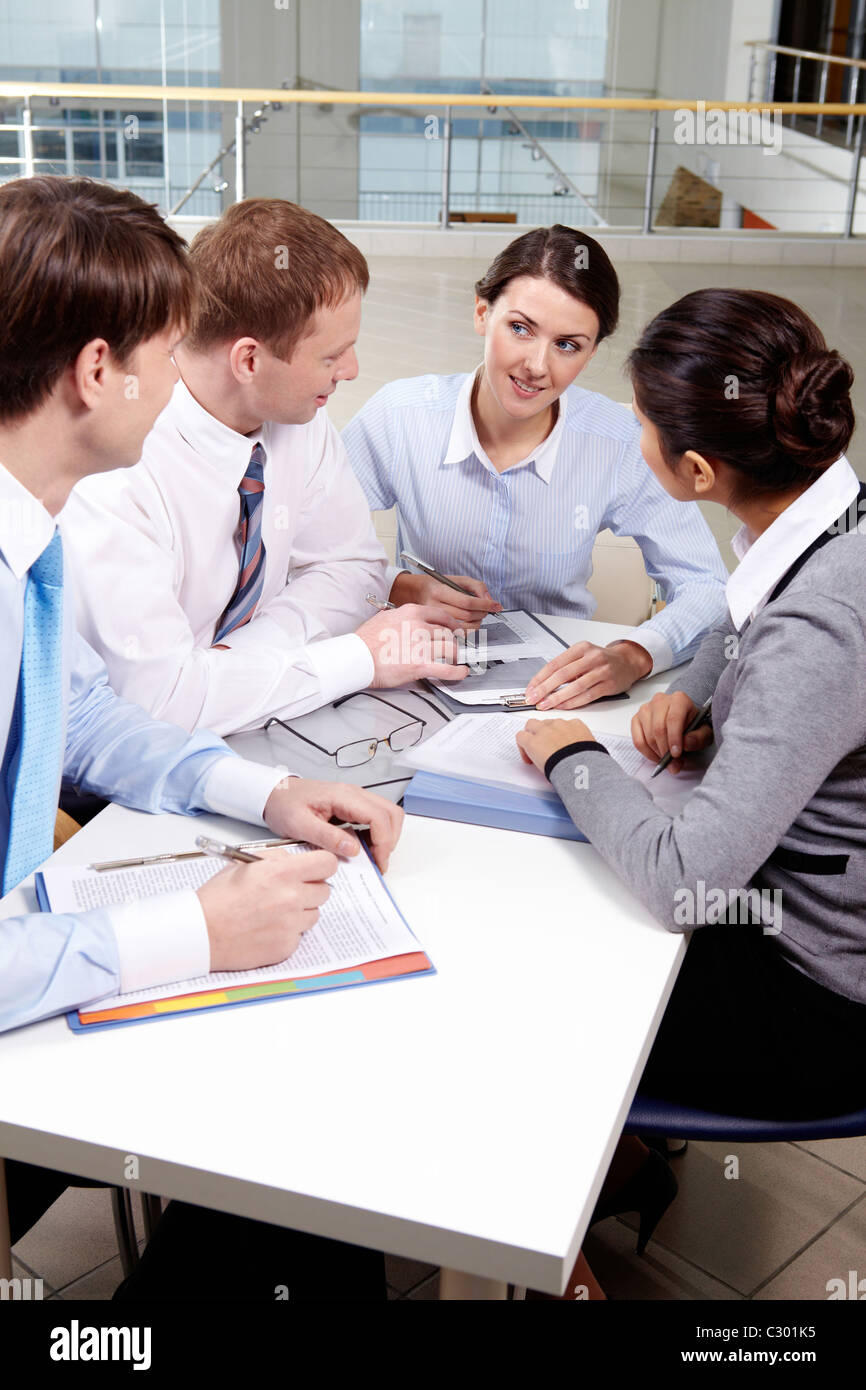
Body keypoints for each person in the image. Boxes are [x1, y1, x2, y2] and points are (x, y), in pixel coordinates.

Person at [0, 175, 403, 1299]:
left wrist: (258, 791)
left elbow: (82, 708)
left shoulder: (23, 533)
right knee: (310, 1195)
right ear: (95, 371)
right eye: (171, 345)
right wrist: (195, 929)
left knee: (304, 1144)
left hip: (36, 949)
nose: (185, 375)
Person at [517, 287, 866, 1122]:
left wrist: (572, 756)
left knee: (512, 1002)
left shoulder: (822, 626)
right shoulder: (834, 517)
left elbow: (684, 882)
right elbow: (753, 605)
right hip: (803, 920)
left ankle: (550, 1244)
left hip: (814, 998)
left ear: (699, 471)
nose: (632, 437)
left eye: (641, 423)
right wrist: (692, 687)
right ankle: (622, 1173)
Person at [61, 197, 466, 737]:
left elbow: (353, 570)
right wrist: (358, 658)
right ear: (248, 360)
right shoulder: (120, 467)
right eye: (331, 356)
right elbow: (158, 705)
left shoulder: (299, 416)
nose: (352, 370)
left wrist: (236, 663)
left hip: (260, 730)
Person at [342, 224, 729, 707]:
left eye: (568, 345)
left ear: (590, 353)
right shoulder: (399, 416)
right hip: (418, 677)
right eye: (520, 329)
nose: (537, 366)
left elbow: (708, 587)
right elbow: (308, 549)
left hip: (561, 694)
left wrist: (634, 653)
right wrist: (402, 586)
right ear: (483, 313)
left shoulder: (619, 442)